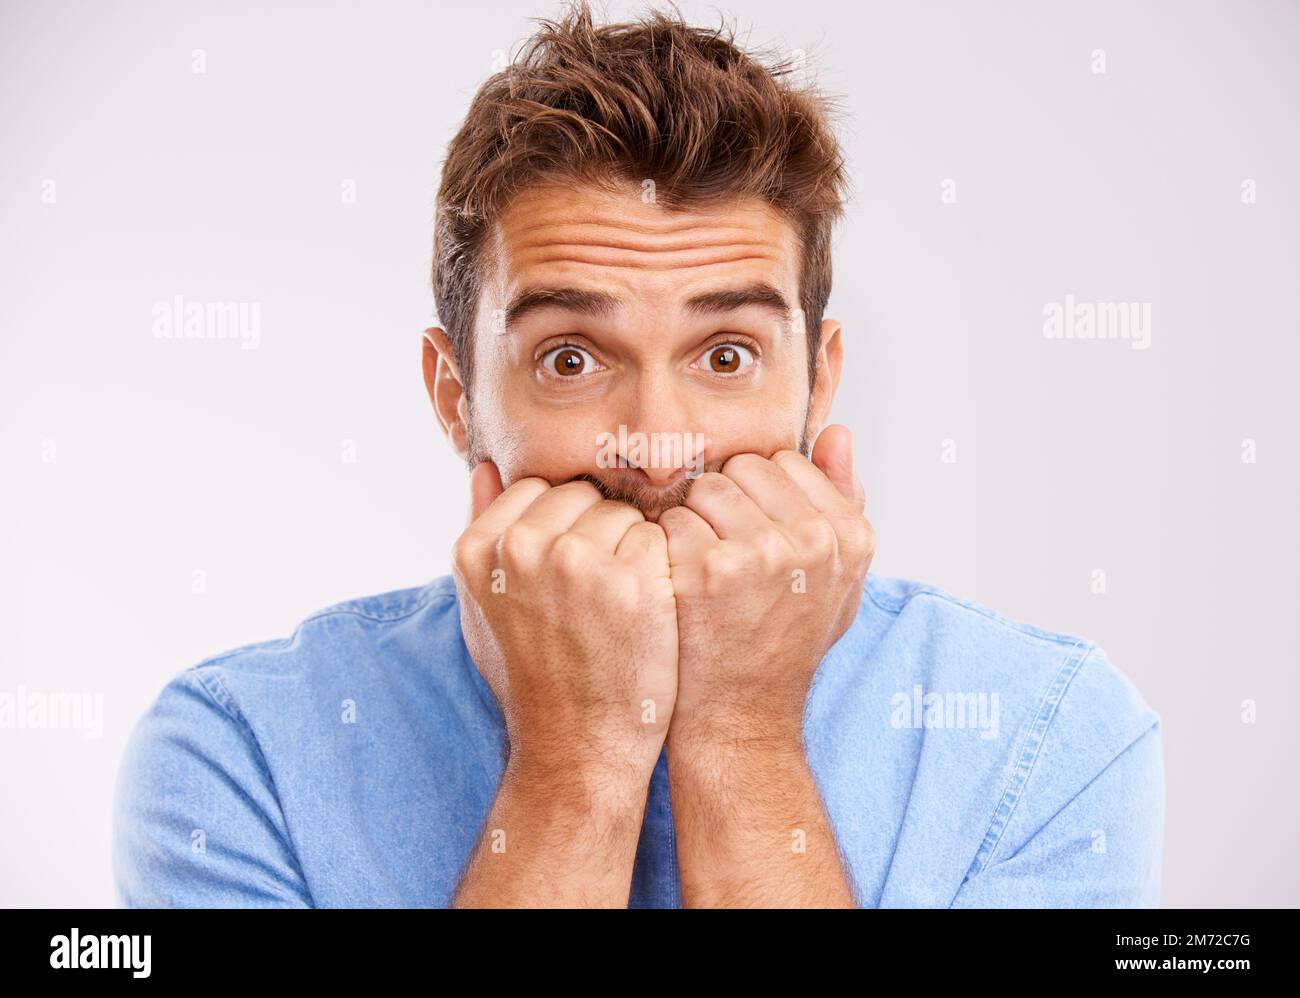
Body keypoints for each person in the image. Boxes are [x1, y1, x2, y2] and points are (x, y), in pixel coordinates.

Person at [112, 1, 1163, 908]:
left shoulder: (1052, 732)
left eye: (725, 352)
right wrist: (577, 761)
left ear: (819, 382)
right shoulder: (235, 755)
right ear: (455, 395)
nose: (657, 440)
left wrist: (741, 736)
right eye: (571, 356)